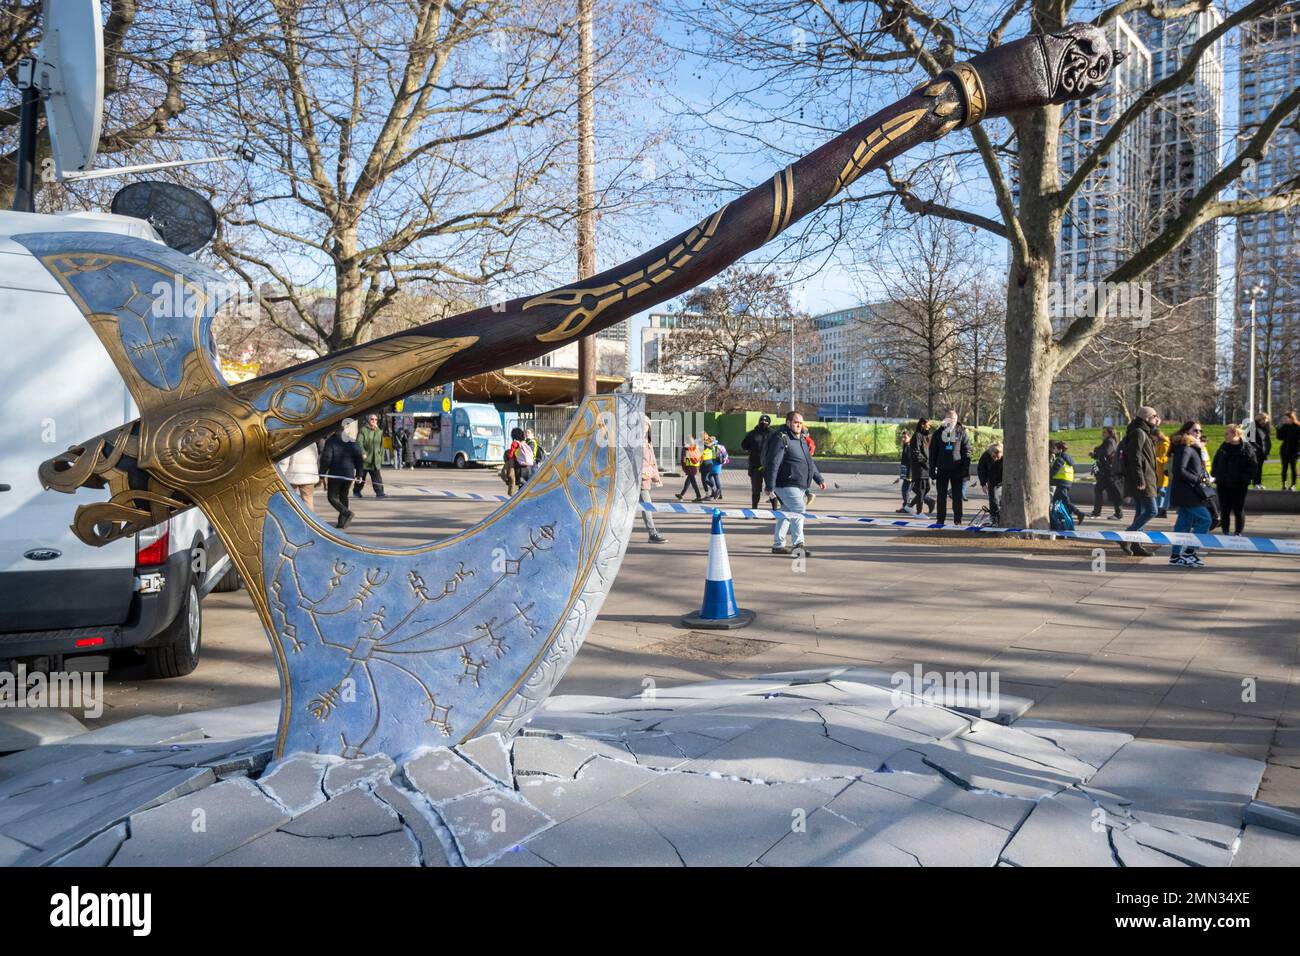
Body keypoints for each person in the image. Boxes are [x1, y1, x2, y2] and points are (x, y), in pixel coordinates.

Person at [764, 410, 825, 555]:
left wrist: (819, 479)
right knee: (798, 509)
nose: (799, 425)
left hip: (800, 485)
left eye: (800, 422)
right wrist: (770, 485)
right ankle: (798, 545)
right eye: (796, 422)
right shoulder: (781, 438)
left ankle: (778, 545)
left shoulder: (802, 439)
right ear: (788, 423)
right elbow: (774, 462)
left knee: (786, 513)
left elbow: (809, 461)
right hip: (785, 483)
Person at [1168, 421, 1213, 567]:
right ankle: (1189, 552)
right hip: (1188, 493)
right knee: (1206, 519)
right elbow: (1179, 471)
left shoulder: (1190, 447)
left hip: (1186, 492)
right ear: (1187, 432)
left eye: (1200, 431)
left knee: (1183, 524)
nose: (1198, 433)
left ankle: (1175, 557)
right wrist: (1198, 479)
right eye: (1195, 431)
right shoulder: (1185, 448)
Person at [1120, 406, 1161, 557]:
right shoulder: (1138, 432)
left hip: (1145, 479)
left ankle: (1137, 546)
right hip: (1142, 480)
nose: (1158, 419)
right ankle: (1126, 537)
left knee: (1141, 513)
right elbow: (1134, 457)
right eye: (1155, 416)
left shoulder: (1144, 432)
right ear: (1146, 418)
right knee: (1152, 511)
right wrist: (1140, 479)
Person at [1212, 423, 1257, 537]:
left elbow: (1253, 466)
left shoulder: (1246, 448)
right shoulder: (1224, 447)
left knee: (1238, 509)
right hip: (1223, 483)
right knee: (1225, 509)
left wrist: (1244, 478)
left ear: (1235, 434)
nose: (1225, 436)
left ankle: (1238, 532)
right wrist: (1216, 475)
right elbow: (1216, 462)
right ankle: (1225, 531)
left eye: (1227, 433)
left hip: (1239, 485)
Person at [928, 410, 971, 525]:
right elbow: (932, 453)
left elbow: (967, 452)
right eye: (949, 419)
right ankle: (940, 520)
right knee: (941, 496)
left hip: (957, 470)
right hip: (942, 470)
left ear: (957, 420)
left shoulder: (961, 432)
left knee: (957, 497)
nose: (952, 421)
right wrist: (932, 469)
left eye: (954, 419)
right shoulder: (938, 433)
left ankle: (958, 520)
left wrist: (965, 470)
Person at [320, 420, 364, 529]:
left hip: (335, 474)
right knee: (344, 496)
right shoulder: (352, 440)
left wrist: (322, 473)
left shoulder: (331, 441)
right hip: (349, 474)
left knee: (332, 497)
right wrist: (359, 473)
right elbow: (359, 458)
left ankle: (346, 512)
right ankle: (342, 522)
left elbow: (326, 458)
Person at [1089, 426, 1124, 520]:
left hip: (1108, 472)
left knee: (1111, 492)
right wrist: (1095, 455)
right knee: (1101, 490)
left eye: (1104, 432)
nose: (1102, 434)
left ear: (1109, 433)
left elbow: (1107, 453)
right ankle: (1098, 512)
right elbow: (1103, 454)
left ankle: (1115, 513)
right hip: (1107, 472)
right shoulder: (1109, 441)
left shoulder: (1110, 441)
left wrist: (1096, 451)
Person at [640, 427, 667, 544]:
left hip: (644, 482)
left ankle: (652, 533)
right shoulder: (632, 443)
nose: (645, 427)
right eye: (643, 424)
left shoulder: (648, 443)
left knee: (647, 507)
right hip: (632, 482)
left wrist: (657, 478)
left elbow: (653, 463)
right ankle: (652, 533)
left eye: (647, 425)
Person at [741, 414, 774, 509]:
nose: (763, 423)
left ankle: (775, 511)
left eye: (766, 422)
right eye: (761, 421)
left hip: (770, 467)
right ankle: (754, 510)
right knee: (755, 490)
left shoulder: (773, 434)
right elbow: (744, 445)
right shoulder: (752, 434)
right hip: (755, 466)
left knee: (771, 489)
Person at [1049, 441, 1085, 525]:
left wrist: (1047, 479)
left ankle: (1079, 513)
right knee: (1056, 502)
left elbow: (1053, 472)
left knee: (1065, 501)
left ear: (1060, 450)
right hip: (1066, 482)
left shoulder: (1060, 459)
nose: (1054, 450)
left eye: (1055, 449)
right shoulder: (1067, 458)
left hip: (1061, 482)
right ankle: (1059, 519)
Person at [354, 413, 387, 498]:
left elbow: (381, 446)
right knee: (361, 477)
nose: (374, 421)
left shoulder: (379, 431)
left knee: (377, 478)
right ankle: (356, 492)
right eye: (372, 419)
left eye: (376, 419)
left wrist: (380, 457)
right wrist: (363, 452)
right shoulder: (363, 430)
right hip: (365, 460)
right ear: (369, 420)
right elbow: (359, 442)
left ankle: (380, 492)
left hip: (375, 460)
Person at [281, 442, 320, 511]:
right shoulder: (312, 442)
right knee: (308, 500)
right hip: (309, 474)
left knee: (290, 500)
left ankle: (290, 519)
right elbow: (316, 456)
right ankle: (309, 520)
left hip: (293, 474)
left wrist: (282, 473)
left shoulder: (292, 441)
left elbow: (285, 461)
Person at [908, 418, 935, 516]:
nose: (929, 426)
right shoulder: (917, 436)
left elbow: (929, 451)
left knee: (925, 489)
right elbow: (916, 452)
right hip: (919, 468)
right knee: (921, 490)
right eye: (928, 424)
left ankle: (912, 505)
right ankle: (919, 512)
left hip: (926, 468)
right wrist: (925, 462)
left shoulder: (926, 436)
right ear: (922, 424)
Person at [977, 441, 1004, 524]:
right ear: (990, 453)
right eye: (993, 456)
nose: (995, 458)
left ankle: (1000, 516)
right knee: (993, 499)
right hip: (992, 479)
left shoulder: (1006, 456)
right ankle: (994, 517)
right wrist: (983, 484)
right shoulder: (986, 456)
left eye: (997, 457)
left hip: (1003, 478)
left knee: (1002, 500)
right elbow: (981, 469)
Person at [1277, 411, 1300, 491]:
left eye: (1286, 418)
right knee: (1284, 468)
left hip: (1294, 450)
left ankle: (1293, 484)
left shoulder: (1297, 427)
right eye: (1284, 418)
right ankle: (1284, 484)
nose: (1285, 420)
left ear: (1291, 418)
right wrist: (1279, 428)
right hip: (1284, 450)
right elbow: (1279, 437)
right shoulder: (1284, 427)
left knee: (1293, 468)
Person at [676, 437, 703, 502]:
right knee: (688, 481)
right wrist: (698, 465)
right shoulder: (696, 447)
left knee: (693, 482)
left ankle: (698, 496)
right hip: (695, 466)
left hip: (690, 466)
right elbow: (701, 457)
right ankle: (681, 494)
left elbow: (684, 459)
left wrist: (684, 468)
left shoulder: (686, 449)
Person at [1251, 412, 1272, 489]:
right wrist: (1258, 448)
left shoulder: (1265, 428)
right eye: (1264, 419)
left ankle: (1259, 482)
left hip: (1263, 452)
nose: (1265, 421)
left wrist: (1267, 450)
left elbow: (1267, 440)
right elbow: (1251, 440)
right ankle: (1255, 483)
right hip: (1256, 451)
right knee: (1256, 468)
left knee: (1260, 468)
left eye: (1266, 419)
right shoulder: (1253, 427)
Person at [1154, 428, 1171, 517]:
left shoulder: (1165, 444)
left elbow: (1164, 458)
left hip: (1163, 470)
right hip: (1158, 470)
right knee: (1160, 490)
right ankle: (1159, 508)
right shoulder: (1158, 443)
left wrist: (1154, 459)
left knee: (1162, 490)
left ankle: (1162, 509)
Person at [896, 430, 914, 513]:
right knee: (916, 489)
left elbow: (911, 461)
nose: (903, 439)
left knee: (905, 490)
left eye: (905, 437)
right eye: (902, 437)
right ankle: (929, 501)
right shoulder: (906, 445)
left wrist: (910, 475)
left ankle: (906, 507)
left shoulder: (910, 446)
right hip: (906, 472)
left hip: (909, 473)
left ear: (910, 438)